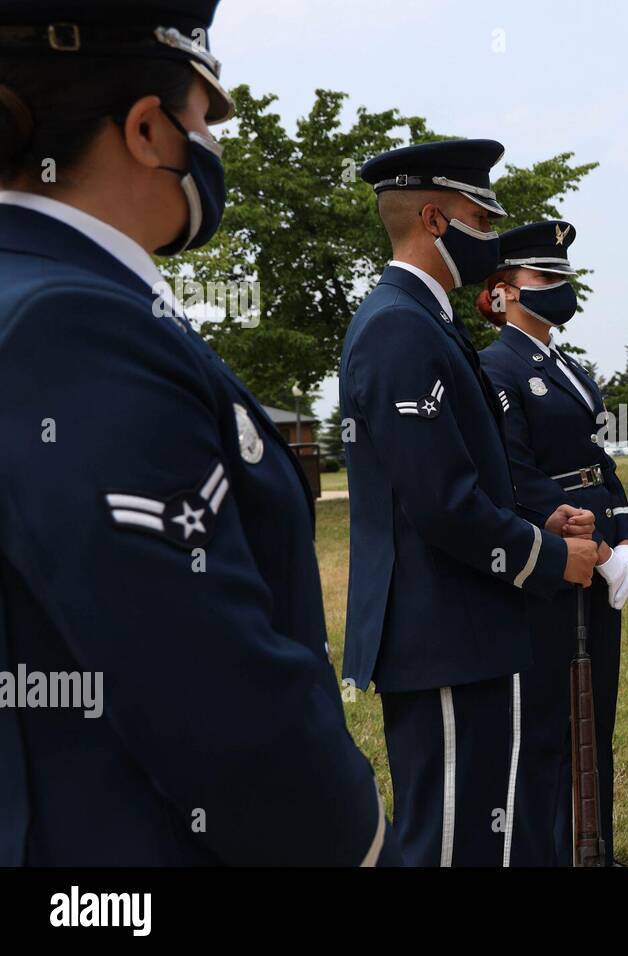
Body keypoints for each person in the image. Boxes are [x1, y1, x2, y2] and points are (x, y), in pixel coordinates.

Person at [0, 0, 396, 865]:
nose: (215, 143)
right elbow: (208, 690)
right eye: (206, 116)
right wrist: (354, 838)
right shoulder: (70, 324)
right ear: (147, 130)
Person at [340, 142, 599, 867]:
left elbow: (461, 476)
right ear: (434, 219)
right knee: (454, 845)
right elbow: (441, 504)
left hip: (466, 626)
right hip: (442, 635)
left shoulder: (428, 319)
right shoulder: (398, 325)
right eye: (481, 218)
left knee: (488, 836)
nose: (492, 234)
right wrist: (552, 558)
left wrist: (534, 519)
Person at [477, 220, 628, 866]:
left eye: (564, 278)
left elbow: (600, 461)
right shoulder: (495, 366)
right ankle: (552, 852)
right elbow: (516, 476)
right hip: (554, 559)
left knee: (596, 712)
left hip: (598, 552)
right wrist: (593, 546)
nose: (559, 289)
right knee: (549, 722)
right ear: (504, 292)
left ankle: (594, 847)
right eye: (544, 278)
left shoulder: (567, 367)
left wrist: (625, 537)